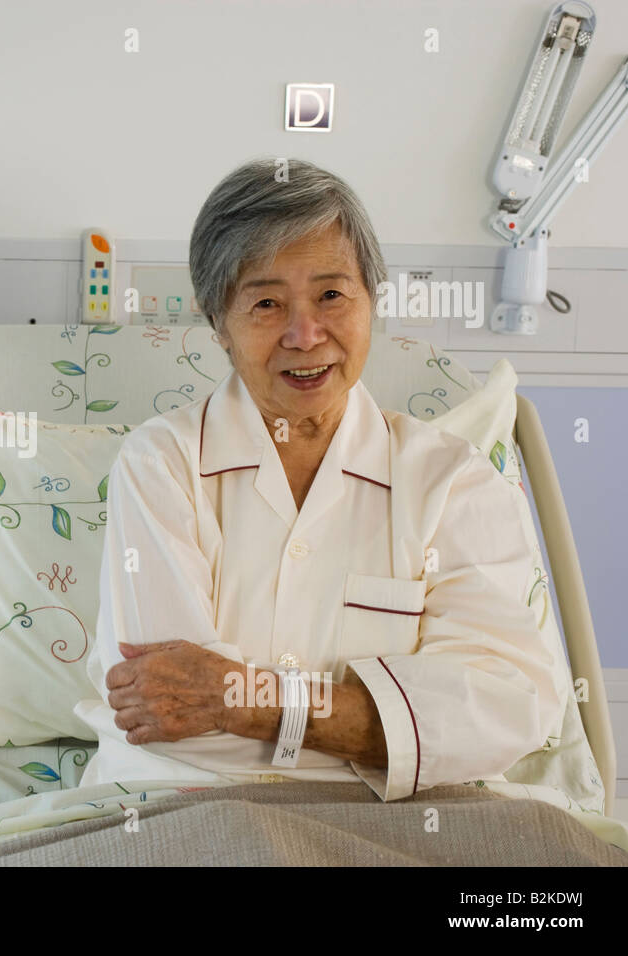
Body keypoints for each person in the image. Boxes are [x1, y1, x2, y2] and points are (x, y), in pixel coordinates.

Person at [74, 158, 563, 800]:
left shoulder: (452, 481)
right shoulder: (160, 464)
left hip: (397, 821)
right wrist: (388, 720)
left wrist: (236, 698)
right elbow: (169, 717)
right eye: (267, 303)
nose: (306, 336)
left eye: (332, 295)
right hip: (181, 806)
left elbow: (504, 712)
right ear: (219, 324)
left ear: (371, 301)